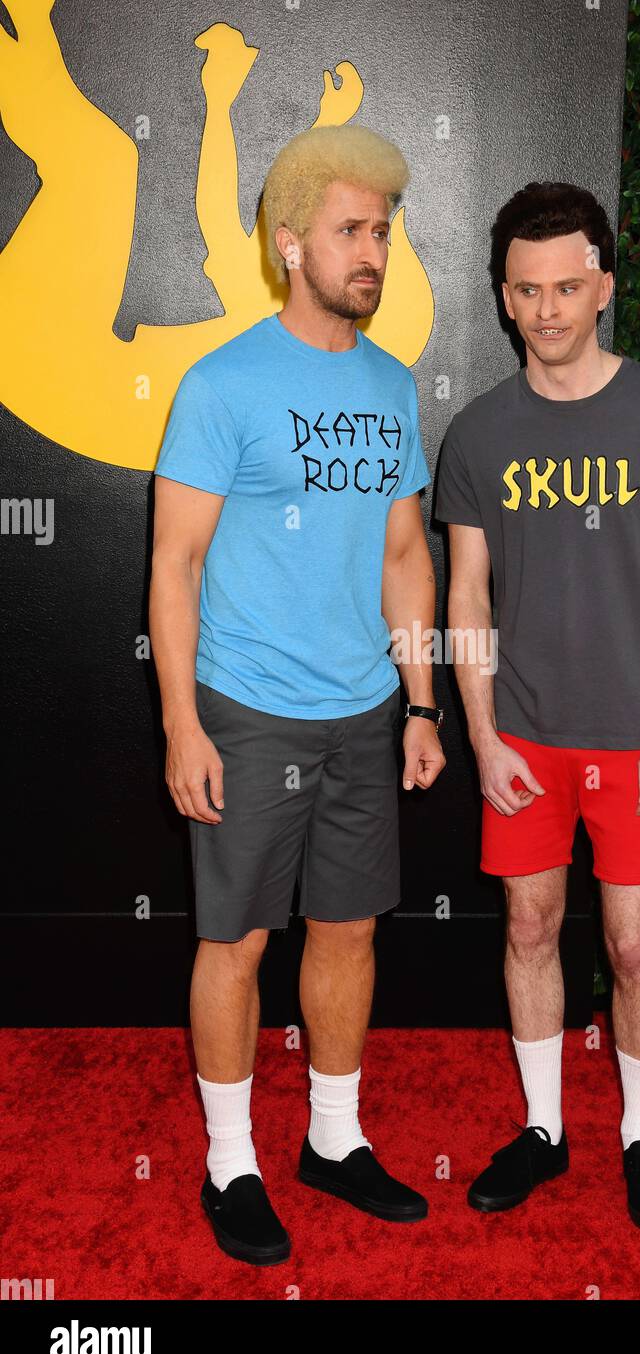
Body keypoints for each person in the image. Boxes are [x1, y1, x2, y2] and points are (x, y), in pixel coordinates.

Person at [149, 124, 446, 1266]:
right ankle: (231, 1158)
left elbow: (405, 555)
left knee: (349, 928)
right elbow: (173, 563)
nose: (373, 250)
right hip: (248, 707)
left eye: (383, 230)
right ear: (289, 244)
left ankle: (332, 1138)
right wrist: (181, 720)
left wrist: (421, 703)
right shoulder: (221, 384)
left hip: (365, 711)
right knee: (235, 939)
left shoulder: (387, 383)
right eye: (352, 231)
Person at [433, 181, 640, 1231]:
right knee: (528, 925)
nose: (550, 308)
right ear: (503, 299)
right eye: (528, 290)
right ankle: (545, 1129)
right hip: (521, 731)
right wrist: (477, 732)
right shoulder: (474, 434)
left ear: (601, 283)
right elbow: (464, 595)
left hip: (637, 736)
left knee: (637, 945)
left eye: (568, 286)